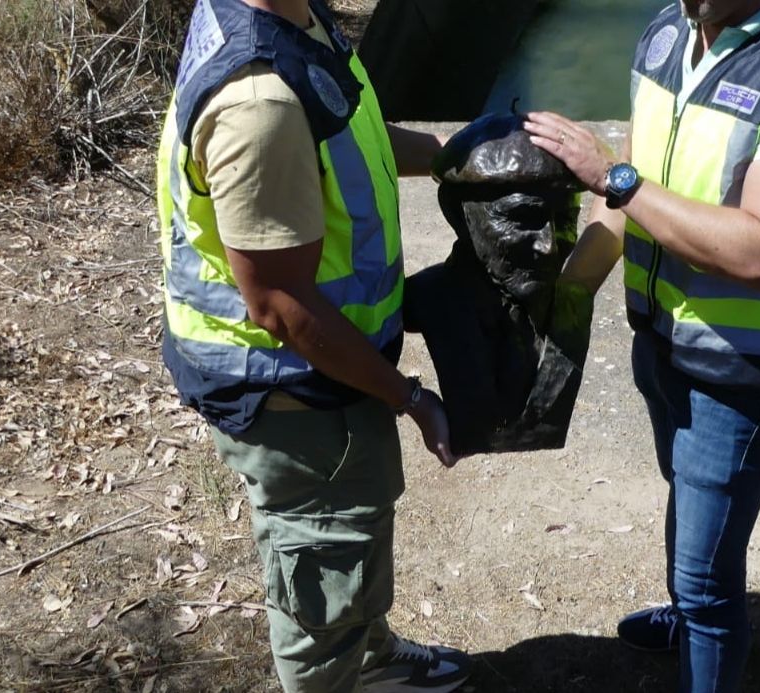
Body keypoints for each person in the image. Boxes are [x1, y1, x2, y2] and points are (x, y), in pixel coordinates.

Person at [524, 0, 760, 690]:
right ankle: (689, 614)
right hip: (659, 337)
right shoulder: (666, 32)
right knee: (687, 498)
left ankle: (700, 618)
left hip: (740, 368)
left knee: (707, 578)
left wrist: (611, 179)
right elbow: (638, 170)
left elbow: (758, 250)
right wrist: (568, 295)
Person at [155, 0, 473, 690]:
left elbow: (346, 131)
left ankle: (373, 654)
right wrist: (409, 397)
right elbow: (278, 303)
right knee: (322, 579)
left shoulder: (296, 20)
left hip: (326, 370)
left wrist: (457, 155)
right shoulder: (258, 101)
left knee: (344, 543)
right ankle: (339, 666)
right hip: (294, 387)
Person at [405, 113, 593, 455]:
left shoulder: (572, 307)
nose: (550, 245)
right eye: (524, 219)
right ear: (459, 215)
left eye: (565, 219)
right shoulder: (428, 300)